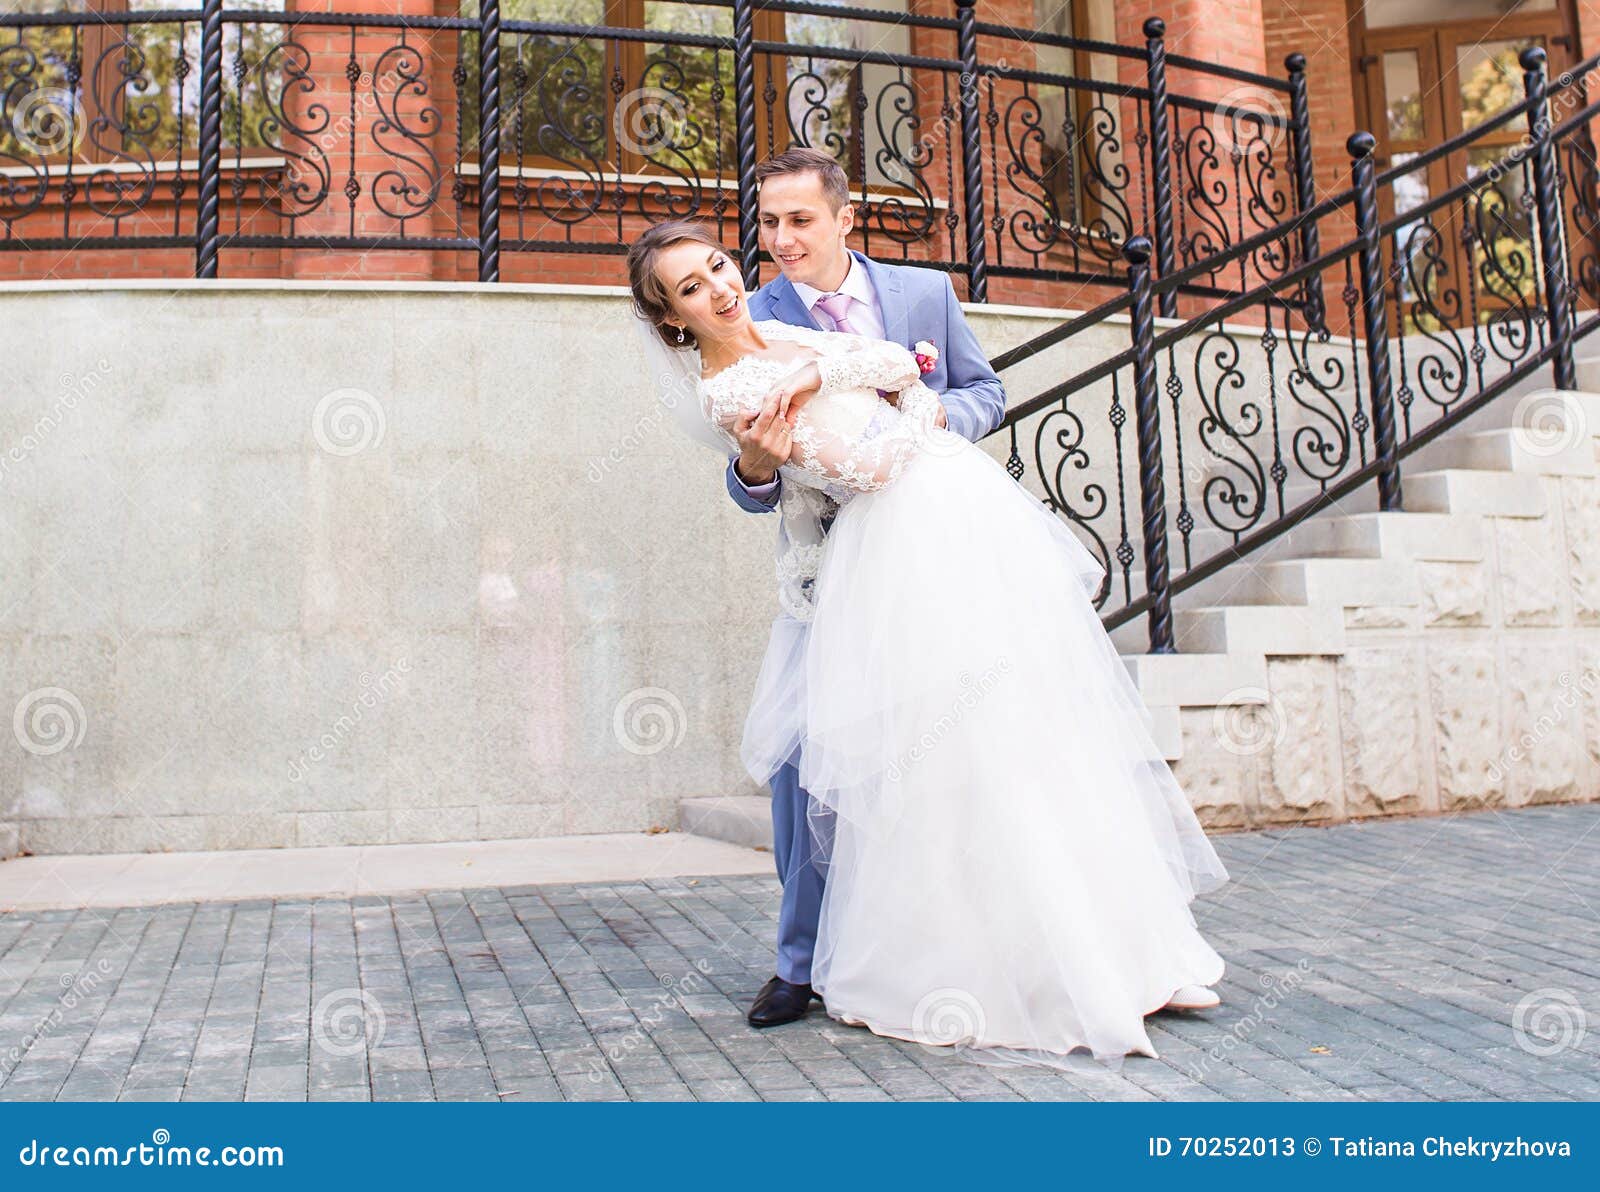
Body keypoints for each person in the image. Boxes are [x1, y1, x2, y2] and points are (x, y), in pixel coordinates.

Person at [626, 216, 1230, 1069]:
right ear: (671, 318)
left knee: (1029, 741)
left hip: (961, 534)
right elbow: (865, 462)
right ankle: (913, 967)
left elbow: (910, 366)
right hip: (879, 565)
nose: (722, 286)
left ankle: (1128, 954)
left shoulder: (833, 318)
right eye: (692, 287)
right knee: (916, 766)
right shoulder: (729, 391)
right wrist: (907, 415)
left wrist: (843, 376)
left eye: (720, 265)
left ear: (837, 215)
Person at [722, 148, 1007, 1028]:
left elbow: (984, 391)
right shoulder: (752, 317)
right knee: (806, 764)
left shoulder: (924, 293)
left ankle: (949, 943)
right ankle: (798, 964)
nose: (781, 240)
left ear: (846, 218)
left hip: (931, 553)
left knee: (947, 747)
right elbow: (746, 482)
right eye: (769, 222)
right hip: (827, 570)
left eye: (800, 220)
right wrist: (755, 467)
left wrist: (932, 420)